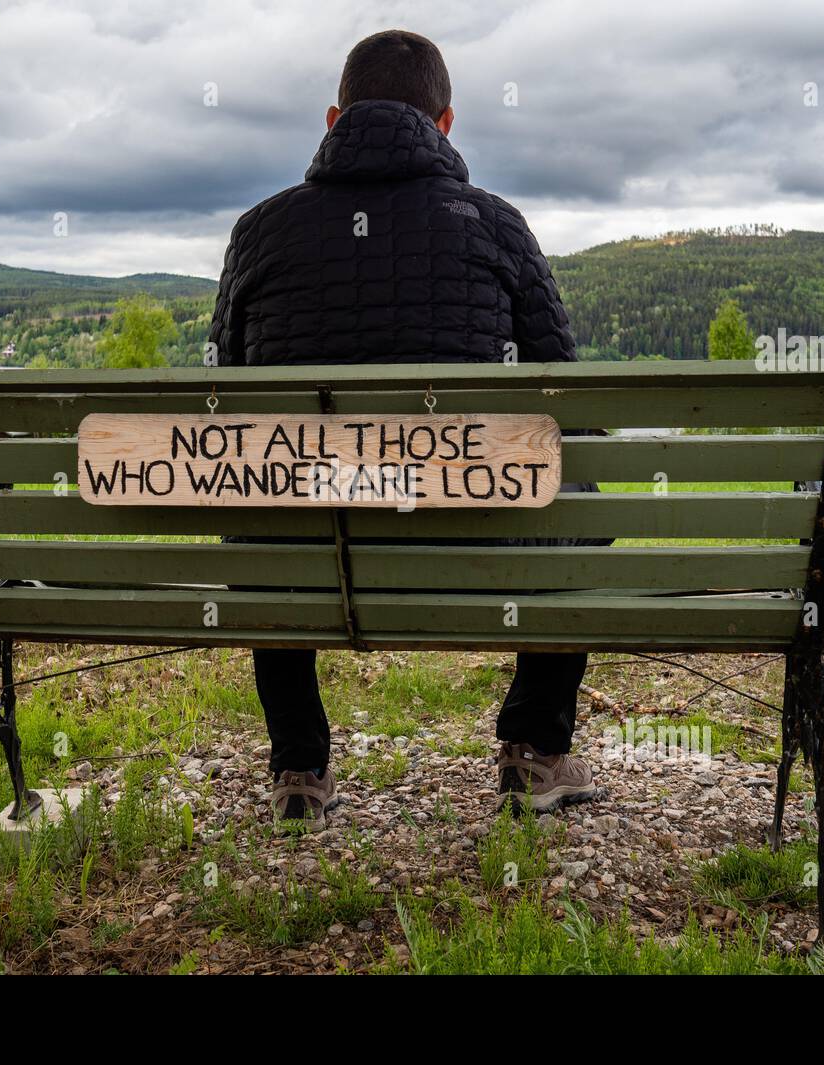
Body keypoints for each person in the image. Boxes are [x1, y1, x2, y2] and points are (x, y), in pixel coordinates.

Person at [206, 29, 598, 831]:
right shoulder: (495, 225)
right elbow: (565, 395)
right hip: (474, 538)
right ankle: (534, 747)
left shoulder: (259, 232)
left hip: (306, 548)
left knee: (262, 491)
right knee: (581, 492)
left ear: (331, 117)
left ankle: (299, 765)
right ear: (446, 123)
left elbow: (224, 400)